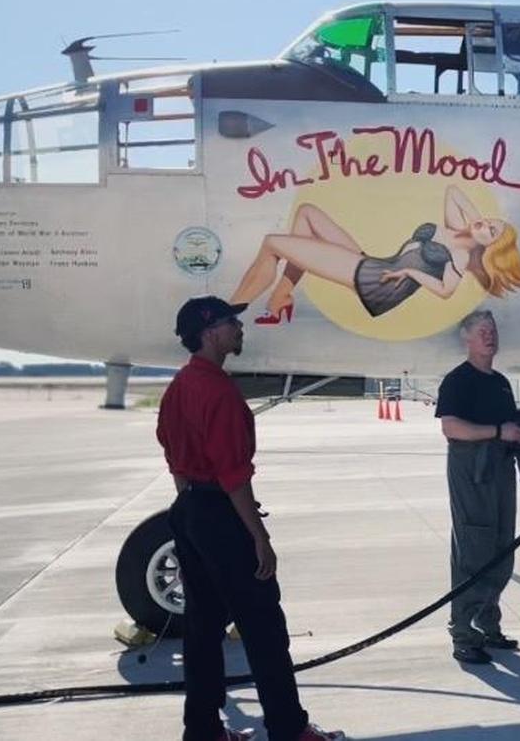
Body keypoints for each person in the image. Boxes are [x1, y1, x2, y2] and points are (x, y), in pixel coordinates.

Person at [157, 296, 345, 741]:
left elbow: (173, 453)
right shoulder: (217, 391)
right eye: (230, 323)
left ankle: (202, 731)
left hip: (190, 512)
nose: (239, 328)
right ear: (209, 333)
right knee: (263, 626)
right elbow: (233, 474)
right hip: (221, 513)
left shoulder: (179, 386)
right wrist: (258, 536)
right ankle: (288, 728)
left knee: (203, 628)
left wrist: (195, 513)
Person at [230, 185, 520, 323]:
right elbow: (454, 191)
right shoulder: (456, 226)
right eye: (491, 222)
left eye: (491, 232)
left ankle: (231, 310)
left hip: (379, 283)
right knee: (307, 213)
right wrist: (477, 223)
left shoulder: (462, 259)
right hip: (375, 265)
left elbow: (445, 291)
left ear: (490, 247)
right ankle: (281, 295)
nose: (486, 225)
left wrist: (410, 273)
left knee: (273, 242)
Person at [434, 309, 520, 664]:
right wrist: (496, 432)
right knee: (473, 550)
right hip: (471, 472)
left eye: (492, 330)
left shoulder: (500, 382)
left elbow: (506, 423)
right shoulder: (458, 380)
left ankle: (487, 625)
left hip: (501, 470)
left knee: (502, 549)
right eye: (481, 331)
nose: (489, 336)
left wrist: (519, 432)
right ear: (467, 338)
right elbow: (451, 428)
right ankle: (463, 633)